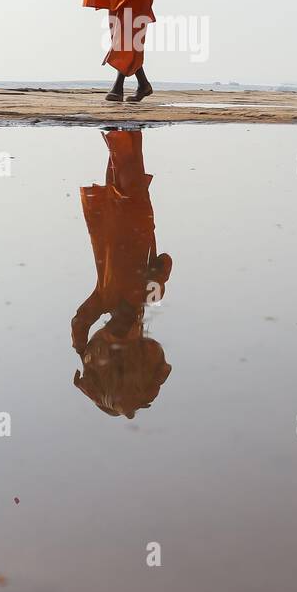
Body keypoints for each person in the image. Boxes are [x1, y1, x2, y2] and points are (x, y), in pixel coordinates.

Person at [72, 128, 174, 418]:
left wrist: (157, 271)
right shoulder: (105, 299)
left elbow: (166, 262)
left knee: (128, 180)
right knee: (122, 181)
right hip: (114, 221)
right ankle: (120, 132)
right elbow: (79, 322)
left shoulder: (142, 298)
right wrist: (80, 349)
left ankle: (123, 132)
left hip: (136, 223)